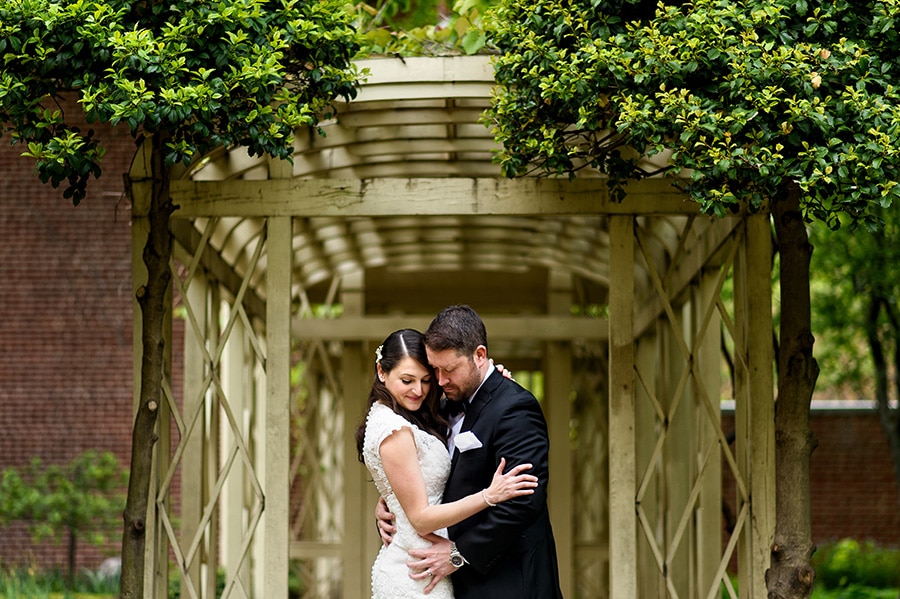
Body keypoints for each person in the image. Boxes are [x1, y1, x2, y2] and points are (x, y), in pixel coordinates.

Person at [377, 305, 564, 599]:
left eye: (448, 370)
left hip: (509, 584)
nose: (439, 381)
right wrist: (391, 500)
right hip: (450, 582)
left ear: (479, 356)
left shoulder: (515, 408)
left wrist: (457, 554)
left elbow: (523, 503)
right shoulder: (439, 406)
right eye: (434, 370)